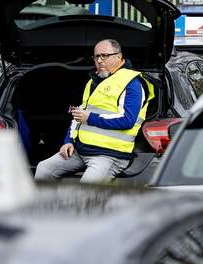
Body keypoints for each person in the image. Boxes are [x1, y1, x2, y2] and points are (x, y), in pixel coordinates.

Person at [35, 39, 154, 183]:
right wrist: (69, 141)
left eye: (105, 56)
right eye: (96, 56)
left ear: (119, 56)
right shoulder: (94, 81)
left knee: (86, 192)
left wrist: (90, 118)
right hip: (80, 150)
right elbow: (79, 115)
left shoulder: (132, 83)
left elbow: (127, 120)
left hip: (110, 155)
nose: (99, 60)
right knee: (43, 169)